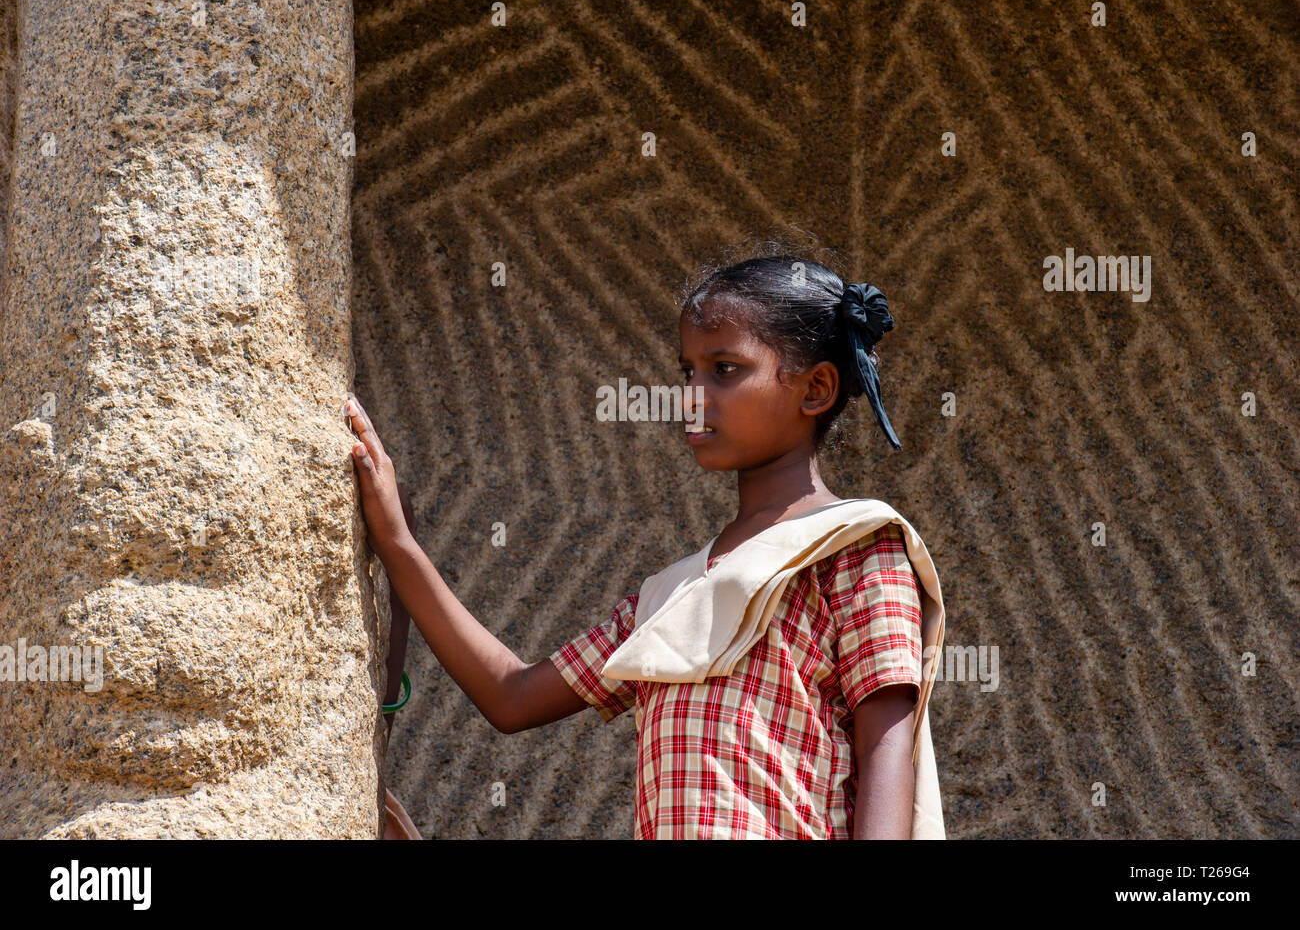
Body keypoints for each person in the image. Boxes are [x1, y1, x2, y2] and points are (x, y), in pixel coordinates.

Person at [349, 246, 946, 839]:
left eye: (726, 369)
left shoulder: (859, 548)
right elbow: (513, 697)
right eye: (688, 371)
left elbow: (887, 754)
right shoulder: (671, 595)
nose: (693, 394)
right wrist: (398, 544)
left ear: (815, 389)